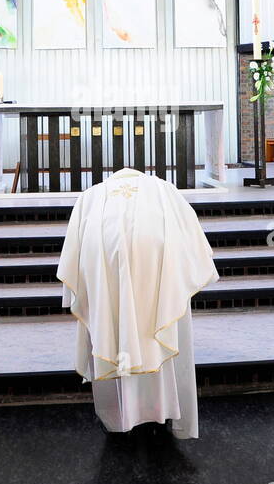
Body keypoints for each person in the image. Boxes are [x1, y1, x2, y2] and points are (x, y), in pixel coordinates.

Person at [57, 168, 217, 438]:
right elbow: (193, 245)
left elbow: (74, 260)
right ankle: (164, 410)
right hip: (160, 284)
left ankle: (118, 416)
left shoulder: (90, 198)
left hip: (106, 284)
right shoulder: (165, 192)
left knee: (112, 331)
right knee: (162, 328)